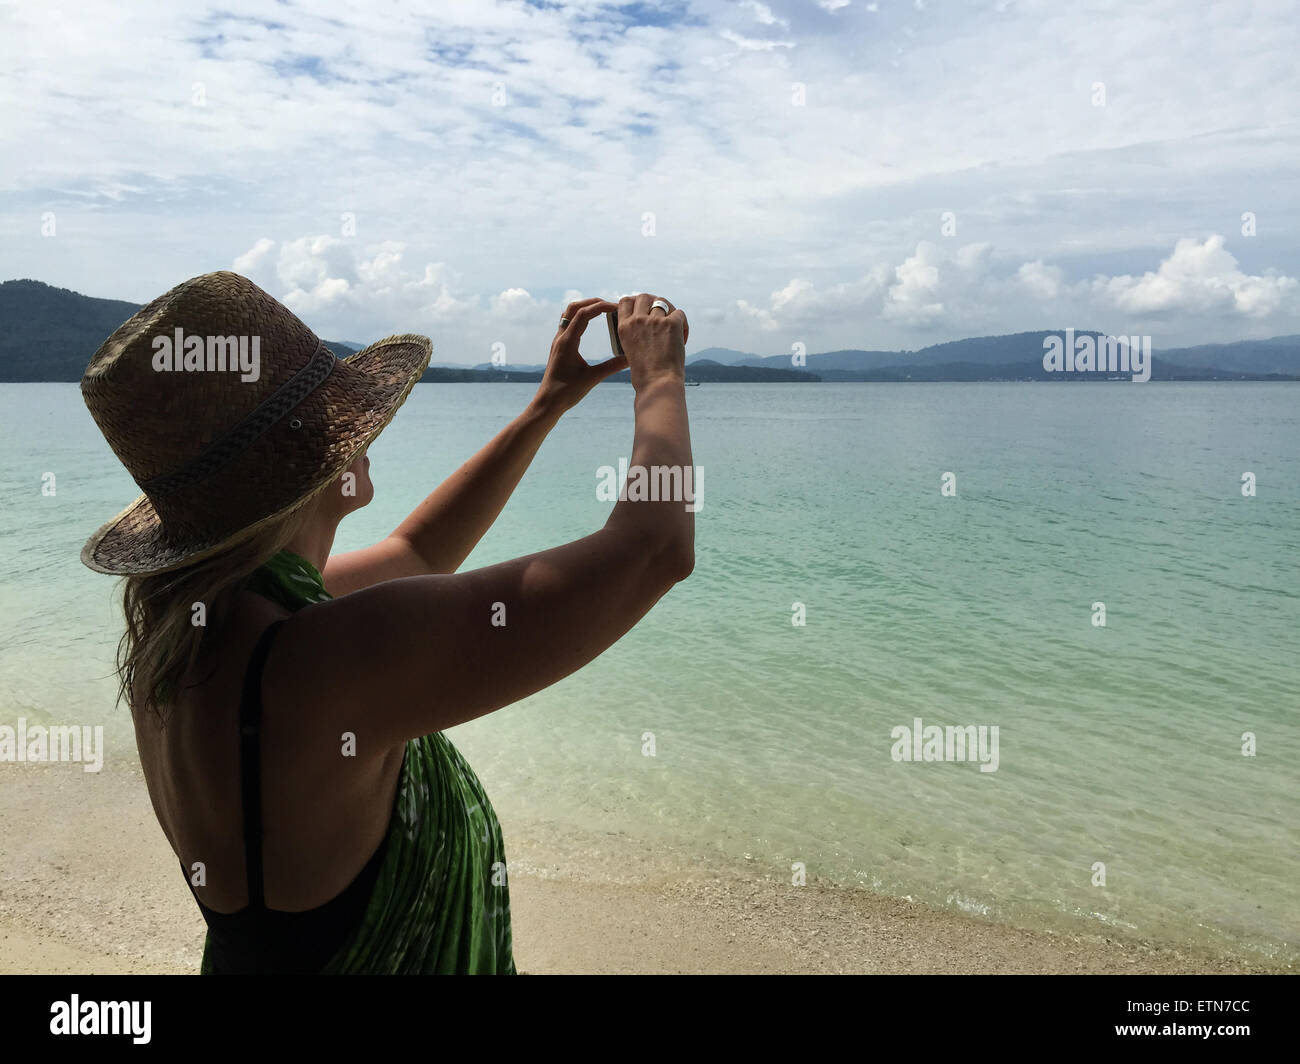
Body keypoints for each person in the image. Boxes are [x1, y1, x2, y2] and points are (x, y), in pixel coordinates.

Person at [79, 271, 694, 973]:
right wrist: (661, 378)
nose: (364, 421)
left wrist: (546, 407)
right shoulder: (321, 662)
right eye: (336, 406)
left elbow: (419, 553)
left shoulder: (203, 631)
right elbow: (652, 552)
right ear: (306, 449)